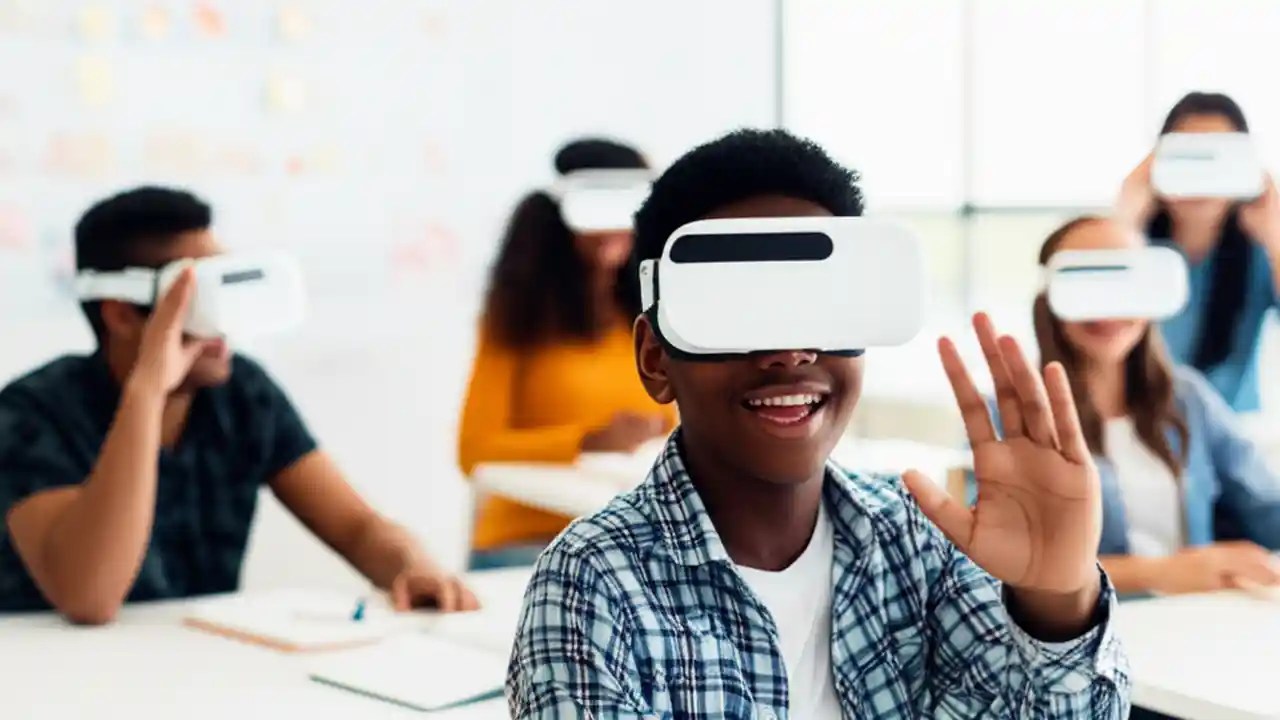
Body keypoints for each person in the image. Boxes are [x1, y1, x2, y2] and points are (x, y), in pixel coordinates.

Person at [506, 130, 1130, 718]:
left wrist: (1058, 602)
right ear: (654, 356)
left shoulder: (920, 540)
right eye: (739, 309)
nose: (791, 349)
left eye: (820, 304)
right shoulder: (592, 584)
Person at [0, 187, 478, 623]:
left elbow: (355, 527)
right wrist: (148, 391)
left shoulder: (242, 395)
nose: (225, 324)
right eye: (198, 298)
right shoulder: (30, 413)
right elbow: (89, 599)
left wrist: (411, 566)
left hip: (196, 664)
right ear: (122, 314)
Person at [1033, 215, 1280, 596]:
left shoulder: (1189, 398)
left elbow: (1268, 512)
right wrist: (1159, 573)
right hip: (1089, 639)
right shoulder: (1012, 413)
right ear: (1049, 299)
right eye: (1087, 284)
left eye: (1126, 283)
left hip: (1196, 623)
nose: (1108, 309)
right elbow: (1015, 569)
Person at [458, 138, 675, 571]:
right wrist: (586, 441)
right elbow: (474, 449)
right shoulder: (517, 318)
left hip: (629, 546)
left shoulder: (648, 315)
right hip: (527, 543)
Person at [1116, 91, 1280, 412]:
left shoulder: (1259, 253)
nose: (1201, 182)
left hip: (1233, 434)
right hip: (1147, 428)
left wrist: (1275, 235)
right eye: (1187, 160)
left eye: (1217, 162)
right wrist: (1124, 221)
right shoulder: (1137, 249)